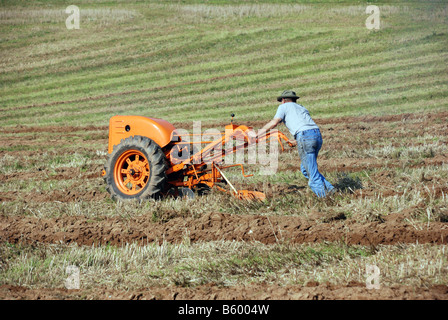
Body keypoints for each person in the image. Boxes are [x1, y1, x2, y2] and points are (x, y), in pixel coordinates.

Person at [258, 90, 335, 197]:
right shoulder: (302, 108)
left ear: (283, 100)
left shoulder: (283, 107)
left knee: (312, 174)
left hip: (305, 136)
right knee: (305, 169)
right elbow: (306, 126)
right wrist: (297, 140)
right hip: (317, 135)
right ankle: (330, 189)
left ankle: (326, 197)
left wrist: (258, 133)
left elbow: (275, 122)